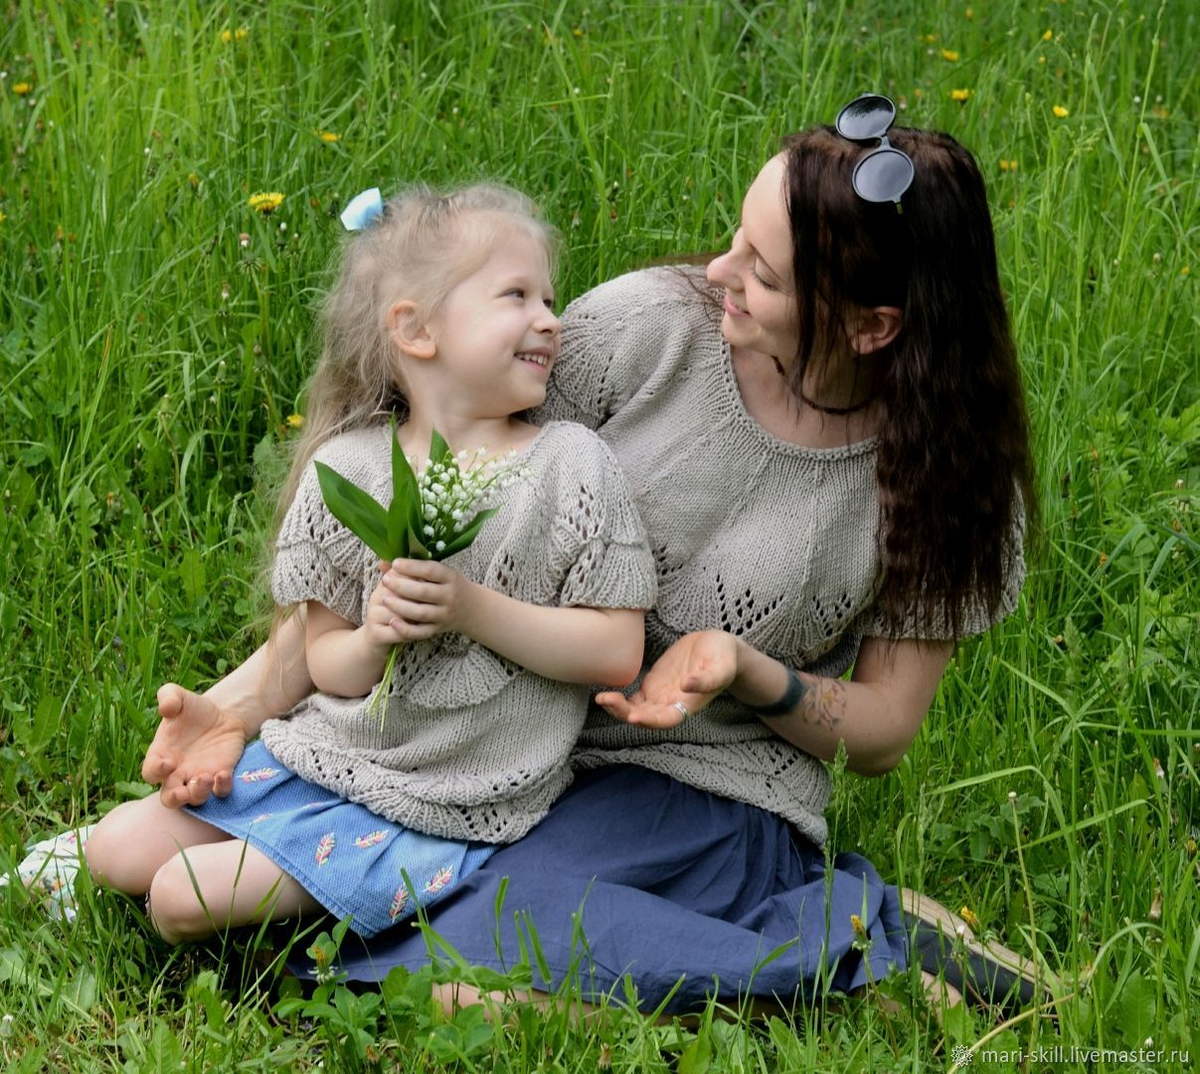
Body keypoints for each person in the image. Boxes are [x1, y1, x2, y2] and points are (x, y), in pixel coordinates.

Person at [121, 97, 1042, 1014]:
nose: (717, 269)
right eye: (736, 238)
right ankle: (768, 959)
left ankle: (840, 956)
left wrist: (751, 673)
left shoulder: (946, 482)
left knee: (442, 980)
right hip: (494, 754)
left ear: (870, 326)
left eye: (761, 273)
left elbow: (884, 728)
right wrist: (235, 708)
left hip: (692, 794)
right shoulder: (649, 331)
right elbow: (431, 508)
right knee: (319, 908)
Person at [84, 184, 656, 942]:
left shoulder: (571, 465)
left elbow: (617, 653)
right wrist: (374, 637)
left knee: (179, 900)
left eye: (549, 297)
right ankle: (298, 864)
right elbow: (331, 667)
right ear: (416, 330)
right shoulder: (349, 471)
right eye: (516, 295)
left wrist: (469, 608)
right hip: (330, 758)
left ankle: (363, 899)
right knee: (113, 850)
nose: (550, 319)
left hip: (455, 797)